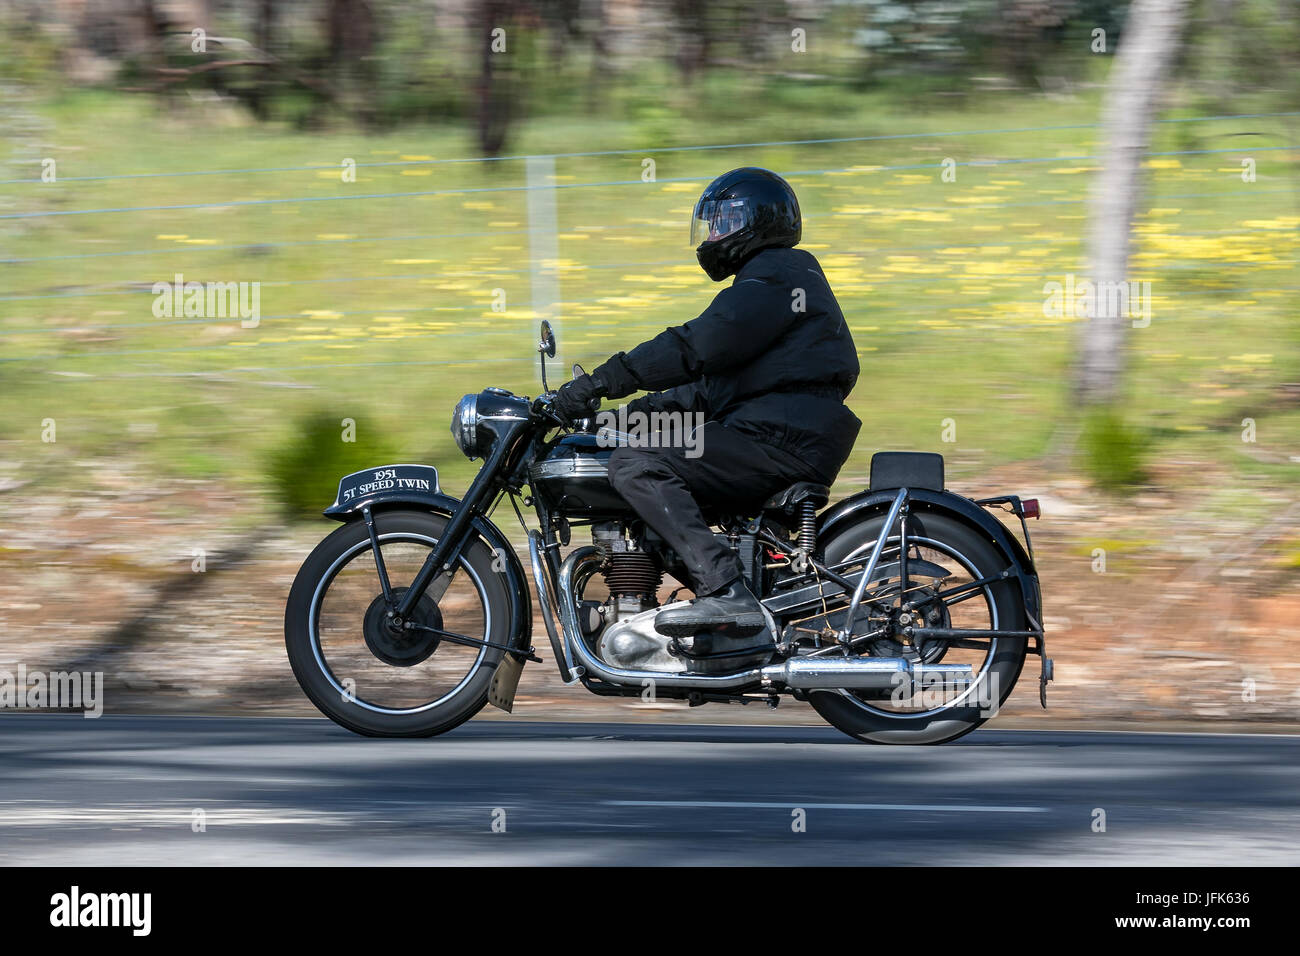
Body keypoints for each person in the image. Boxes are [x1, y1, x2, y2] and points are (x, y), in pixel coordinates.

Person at [552, 166, 861, 661]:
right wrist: (616, 420)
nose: (712, 236)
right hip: (774, 432)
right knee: (639, 446)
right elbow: (701, 391)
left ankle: (727, 595)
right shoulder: (777, 282)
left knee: (637, 464)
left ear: (754, 221)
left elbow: (695, 346)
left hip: (779, 438)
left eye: (722, 222)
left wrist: (602, 380)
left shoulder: (776, 278)